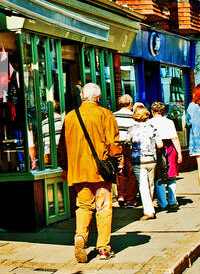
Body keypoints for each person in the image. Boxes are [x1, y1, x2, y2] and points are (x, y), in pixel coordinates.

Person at [60, 82, 121, 262]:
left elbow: (62, 146)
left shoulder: (70, 117)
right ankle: (103, 248)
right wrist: (119, 161)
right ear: (98, 97)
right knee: (103, 208)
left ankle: (80, 237)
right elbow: (113, 143)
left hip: (78, 170)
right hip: (100, 170)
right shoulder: (105, 114)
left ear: (82, 97)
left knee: (83, 206)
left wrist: (65, 168)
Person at [128, 104, 161, 220]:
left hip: (138, 160)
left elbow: (127, 142)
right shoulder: (152, 128)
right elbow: (160, 144)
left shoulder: (132, 129)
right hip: (152, 159)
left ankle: (148, 211)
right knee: (150, 185)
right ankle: (149, 206)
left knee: (143, 186)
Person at [149, 101, 183, 211]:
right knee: (171, 176)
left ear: (152, 111)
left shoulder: (149, 122)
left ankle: (162, 203)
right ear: (163, 111)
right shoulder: (169, 122)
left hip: (156, 150)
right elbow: (174, 138)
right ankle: (172, 201)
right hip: (169, 148)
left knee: (159, 177)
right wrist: (179, 153)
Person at [112, 94, 137, 207]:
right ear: (130, 104)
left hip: (117, 146)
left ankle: (121, 195)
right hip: (130, 146)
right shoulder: (134, 116)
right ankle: (130, 199)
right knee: (132, 172)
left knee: (120, 171)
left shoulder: (113, 116)